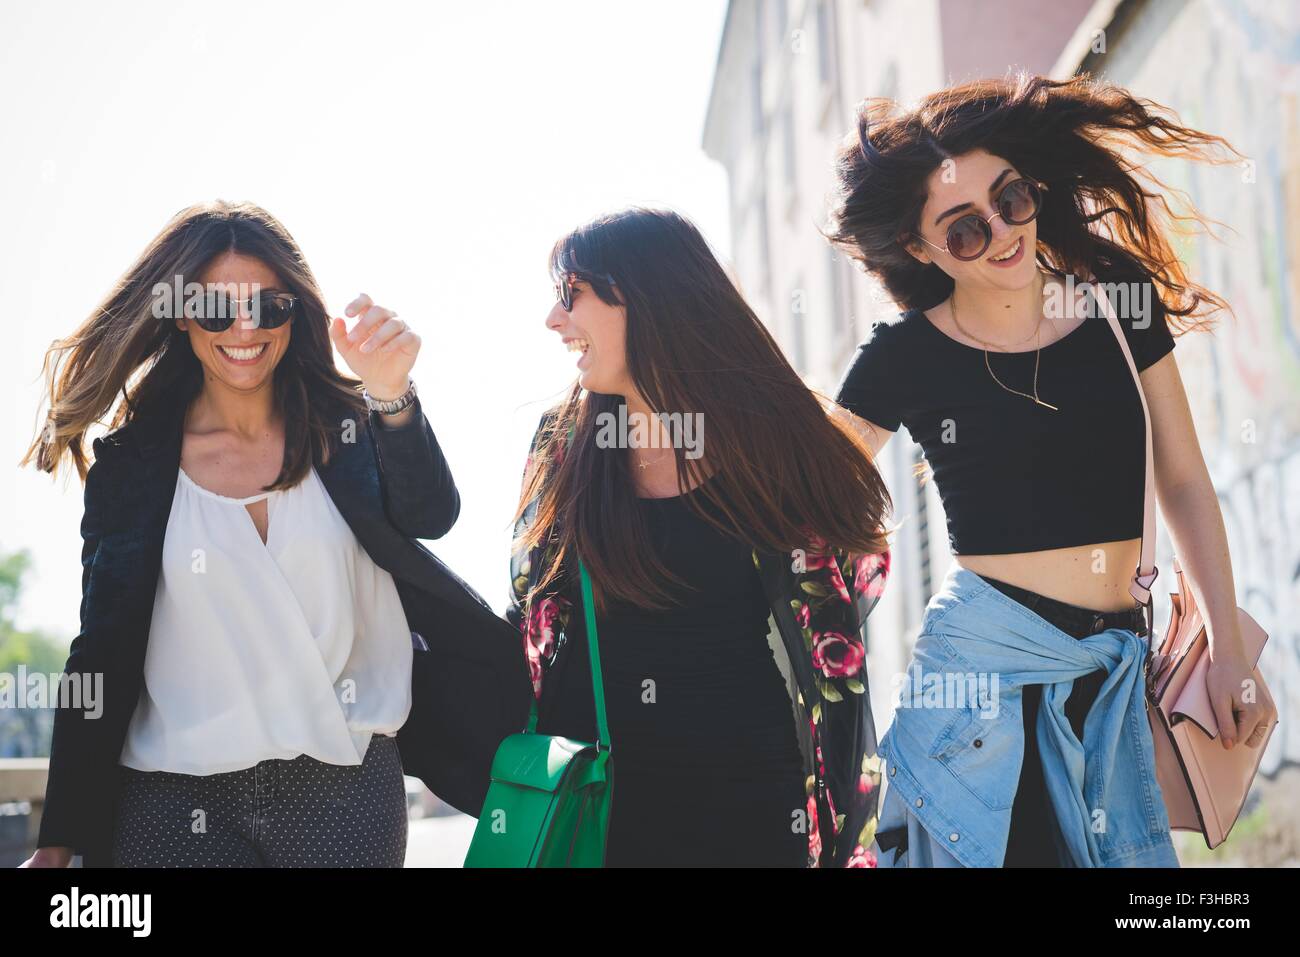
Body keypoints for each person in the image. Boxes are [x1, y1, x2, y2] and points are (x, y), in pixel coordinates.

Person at [824, 73, 1277, 867]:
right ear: (922, 248)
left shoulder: (1116, 302)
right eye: (964, 230)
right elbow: (804, 490)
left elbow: (1183, 479)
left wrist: (1228, 645)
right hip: (978, 689)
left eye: (1012, 198)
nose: (1002, 231)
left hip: (1111, 672)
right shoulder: (902, 356)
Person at [19, 200, 529, 867]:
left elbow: (431, 513)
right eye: (215, 307)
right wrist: (59, 841)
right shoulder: (133, 465)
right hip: (173, 801)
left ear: (296, 312)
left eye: (268, 306)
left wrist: (393, 395)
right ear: (179, 312)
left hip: (343, 795)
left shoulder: (348, 428)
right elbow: (100, 648)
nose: (243, 328)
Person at [507, 207, 892, 867]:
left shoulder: (767, 440)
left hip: (751, 801)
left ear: (645, 297)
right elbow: (529, 612)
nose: (554, 320)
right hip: (600, 801)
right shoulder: (566, 443)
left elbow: (845, 571)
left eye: (573, 296)